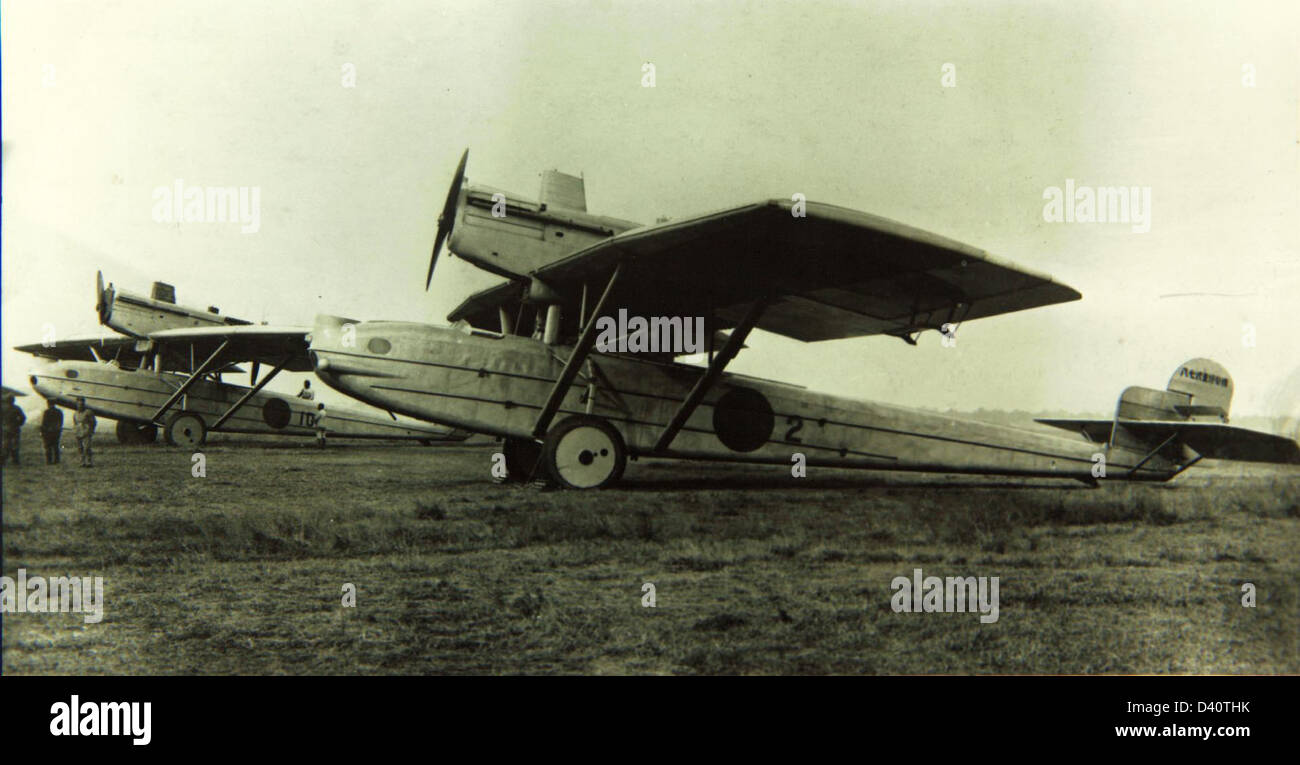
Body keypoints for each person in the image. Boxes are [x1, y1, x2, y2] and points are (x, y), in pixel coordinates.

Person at [1, 393, 25, 467]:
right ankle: (15, 460)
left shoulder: (2, 408)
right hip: (15, 428)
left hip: (5, 428)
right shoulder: (17, 408)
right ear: (13, 400)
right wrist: (19, 424)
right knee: (15, 445)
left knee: (5, 444)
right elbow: (23, 418)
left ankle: (3, 461)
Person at [73, 397, 97, 467]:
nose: (80, 405)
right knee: (80, 448)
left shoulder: (88, 412)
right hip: (78, 431)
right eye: (78, 404)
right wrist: (75, 430)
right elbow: (75, 422)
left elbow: (93, 422)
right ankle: (82, 462)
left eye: (81, 404)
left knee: (87, 447)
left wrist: (91, 430)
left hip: (86, 431)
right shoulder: (75, 413)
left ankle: (89, 462)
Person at [40, 399, 64, 465]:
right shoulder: (59, 412)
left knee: (48, 447)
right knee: (55, 447)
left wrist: (42, 431)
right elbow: (60, 422)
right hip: (55, 432)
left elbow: (43, 423)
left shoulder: (46, 412)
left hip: (48, 432)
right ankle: (56, 460)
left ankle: (49, 461)